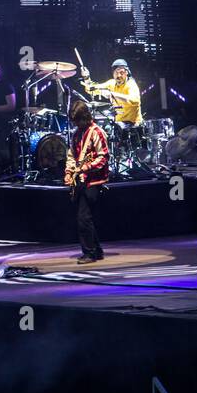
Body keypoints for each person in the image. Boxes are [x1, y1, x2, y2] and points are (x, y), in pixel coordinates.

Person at [64, 99, 110, 263]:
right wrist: (69, 172)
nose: (76, 124)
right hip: (81, 181)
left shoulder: (97, 132)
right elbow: (72, 156)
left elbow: (103, 157)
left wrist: (86, 167)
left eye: (78, 120)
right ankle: (97, 250)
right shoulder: (76, 134)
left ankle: (89, 253)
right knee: (86, 217)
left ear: (85, 117)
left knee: (83, 218)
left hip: (94, 181)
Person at [88, 59, 143, 126]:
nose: (119, 75)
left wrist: (112, 94)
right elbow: (91, 89)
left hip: (134, 125)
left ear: (127, 72)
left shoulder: (131, 84)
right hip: (119, 123)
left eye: (121, 73)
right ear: (113, 74)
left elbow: (134, 101)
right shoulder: (111, 83)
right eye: (116, 73)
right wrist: (86, 78)